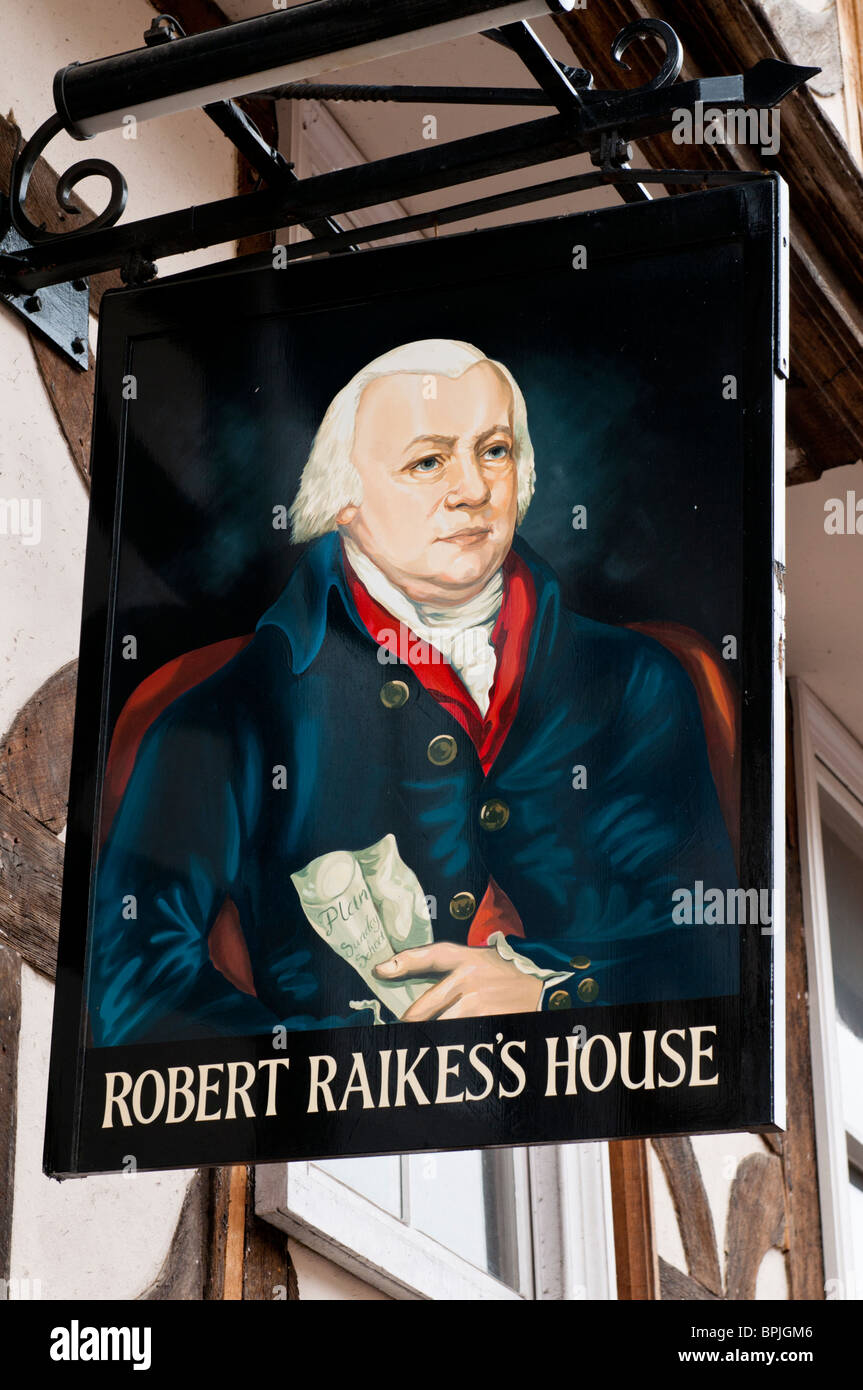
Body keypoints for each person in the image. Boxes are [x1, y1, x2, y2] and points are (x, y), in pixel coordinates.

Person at [90, 338, 738, 1045]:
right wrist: (335, 1070)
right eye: (427, 461)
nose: (471, 488)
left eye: (493, 450)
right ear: (342, 498)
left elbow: (704, 942)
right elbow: (131, 983)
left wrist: (552, 987)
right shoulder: (230, 713)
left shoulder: (636, 680)